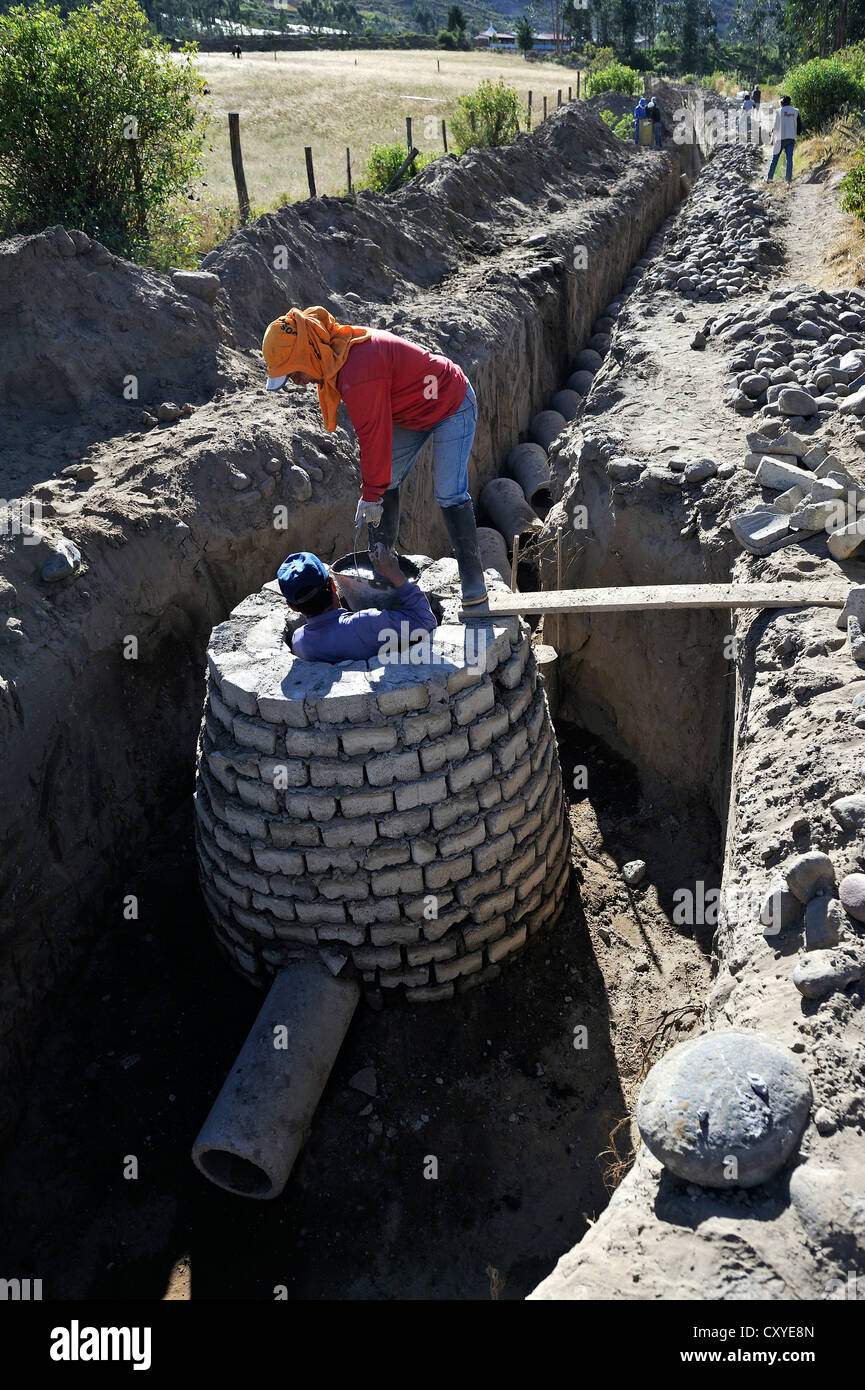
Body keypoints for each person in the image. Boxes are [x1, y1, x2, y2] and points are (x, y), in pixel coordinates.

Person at [262, 305, 488, 607]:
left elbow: (374, 436)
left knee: (448, 491)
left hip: (450, 402)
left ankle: (473, 580)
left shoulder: (358, 371)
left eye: (293, 373)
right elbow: (375, 439)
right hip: (412, 412)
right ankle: (382, 570)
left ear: (307, 354)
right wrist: (373, 492)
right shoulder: (336, 354)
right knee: (386, 480)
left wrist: (369, 495)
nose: (296, 382)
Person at [277, 546, 437, 663]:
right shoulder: (366, 623)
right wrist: (396, 575)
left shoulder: (299, 642)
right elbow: (425, 621)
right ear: (333, 585)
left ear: (292, 606)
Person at [766, 94, 798, 184]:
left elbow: (775, 126)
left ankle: (769, 178)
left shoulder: (779, 111)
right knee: (789, 159)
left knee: (775, 159)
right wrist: (797, 134)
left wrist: (772, 139)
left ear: (781, 103)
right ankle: (788, 178)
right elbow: (799, 125)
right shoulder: (795, 111)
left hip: (779, 138)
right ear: (790, 102)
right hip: (791, 138)